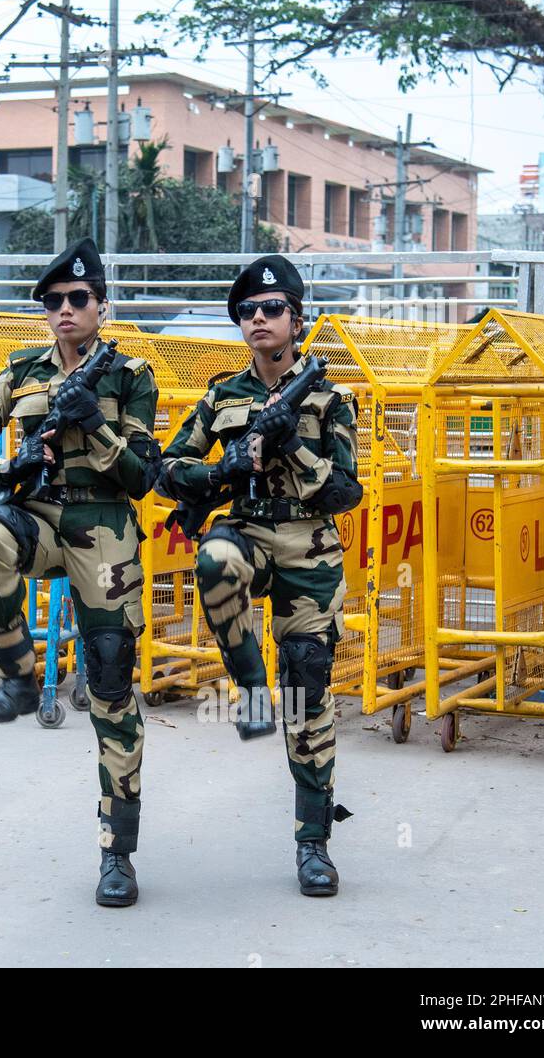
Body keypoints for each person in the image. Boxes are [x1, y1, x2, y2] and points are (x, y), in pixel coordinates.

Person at [0, 238, 162, 907]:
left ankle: (116, 855)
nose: (64, 310)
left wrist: (93, 426)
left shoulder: (131, 374)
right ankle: (17, 675)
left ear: (101, 304)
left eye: (77, 299)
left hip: (104, 528)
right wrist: (7, 468)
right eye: (53, 302)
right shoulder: (19, 372)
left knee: (110, 681)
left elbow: (144, 476)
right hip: (38, 517)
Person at [156, 255, 362, 897]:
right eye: (247, 311)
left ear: (296, 320)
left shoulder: (330, 399)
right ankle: (248, 688)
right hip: (245, 533)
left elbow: (346, 493)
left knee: (307, 688)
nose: (259, 320)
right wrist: (226, 471)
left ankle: (313, 843)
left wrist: (291, 443)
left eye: (272, 310)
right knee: (213, 559)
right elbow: (168, 471)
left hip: (308, 548)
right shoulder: (222, 395)